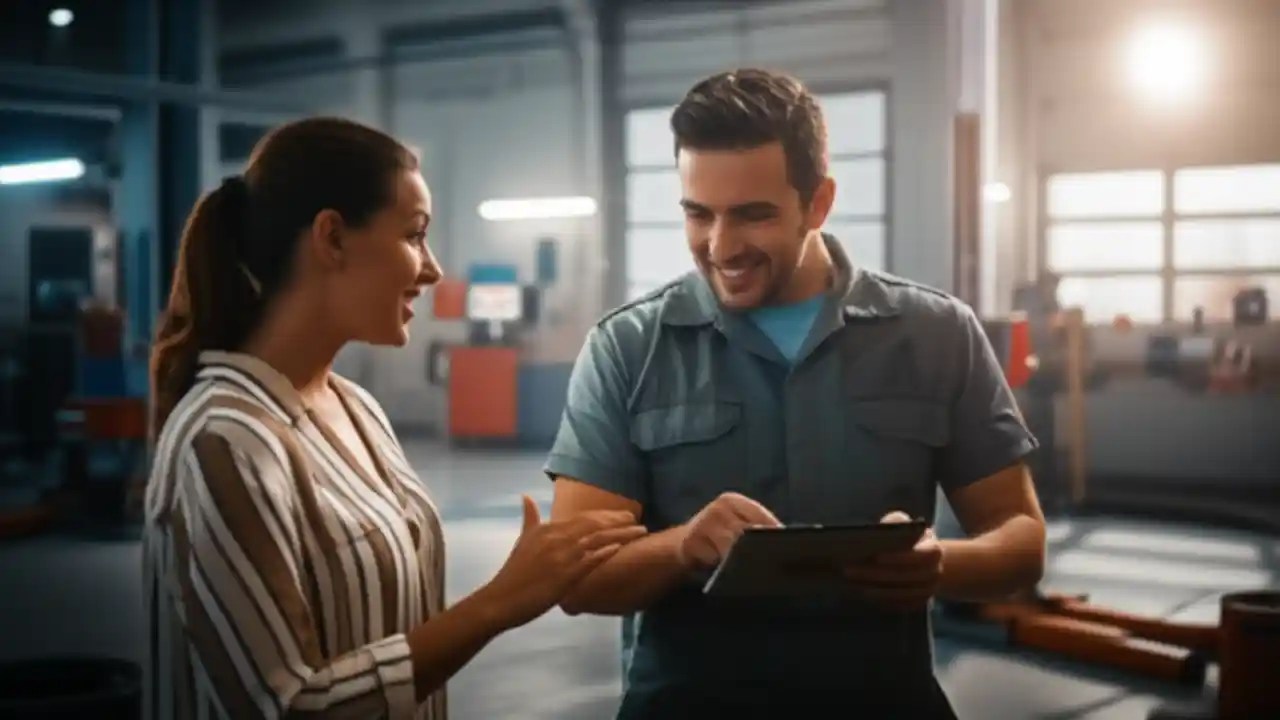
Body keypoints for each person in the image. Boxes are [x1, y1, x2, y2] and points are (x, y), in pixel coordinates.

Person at [546, 69, 1047, 718]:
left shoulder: (936, 334)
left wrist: (940, 564)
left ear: (819, 203)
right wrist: (682, 544)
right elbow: (578, 580)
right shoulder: (627, 348)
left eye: (752, 216)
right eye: (699, 214)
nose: (721, 248)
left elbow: (1021, 539)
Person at [142, 117, 646, 720]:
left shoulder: (357, 410)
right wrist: (500, 601)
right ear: (331, 237)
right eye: (415, 236)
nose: (432, 269)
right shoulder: (224, 441)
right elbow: (287, 707)